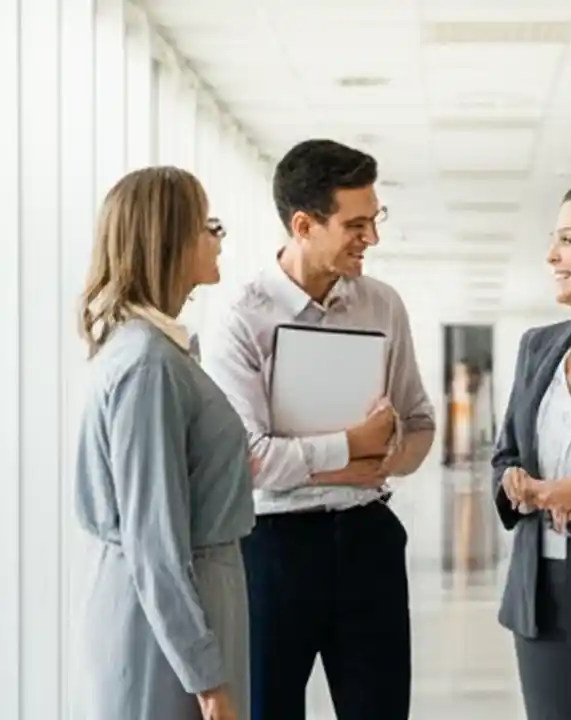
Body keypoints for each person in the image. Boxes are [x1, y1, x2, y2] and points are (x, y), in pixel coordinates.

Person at [200, 139, 435, 720]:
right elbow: (250, 460)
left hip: (369, 540)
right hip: (273, 549)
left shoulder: (383, 306)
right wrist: (352, 448)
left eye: (375, 220)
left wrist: (381, 460)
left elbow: (420, 425)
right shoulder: (241, 319)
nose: (371, 238)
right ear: (303, 225)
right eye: (355, 225)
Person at [74, 166, 255, 720]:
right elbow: (154, 541)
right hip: (172, 616)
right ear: (169, 240)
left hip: (188, 600)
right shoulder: (149, 365)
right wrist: (207, 678)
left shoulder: (157, 353)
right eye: (207, 226)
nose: (217, 239)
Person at [494, 182, 571, 719]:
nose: (551, 255)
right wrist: (513, 481)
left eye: (568, 240)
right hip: (539, 589)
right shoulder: (539, 346)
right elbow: (506, 452)